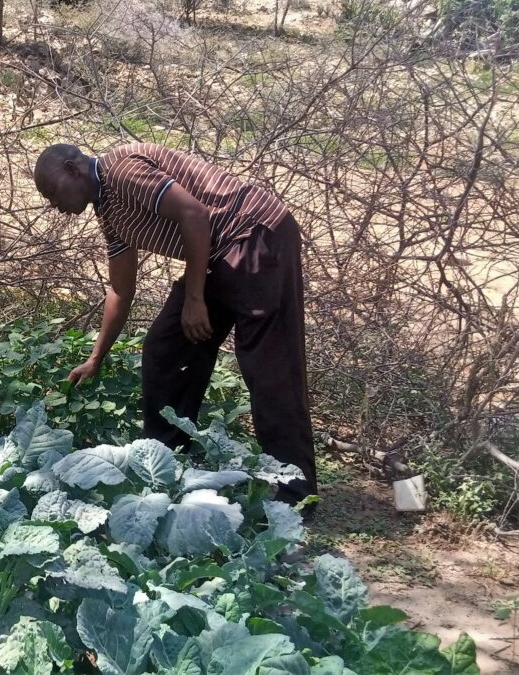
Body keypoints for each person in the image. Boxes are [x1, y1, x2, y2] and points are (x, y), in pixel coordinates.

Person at [33, 142, 317, 512]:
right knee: (166, 349)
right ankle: (168, 465)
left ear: (72, 169)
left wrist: (195, 299)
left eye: (53, 192)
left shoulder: (121, 170)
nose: (57, 206)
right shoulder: (109, 214)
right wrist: (96, 357)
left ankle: (294, 494)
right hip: (217, 251)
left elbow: (194, 214)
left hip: (255, 238)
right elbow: (121, 289)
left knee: (269, 368)